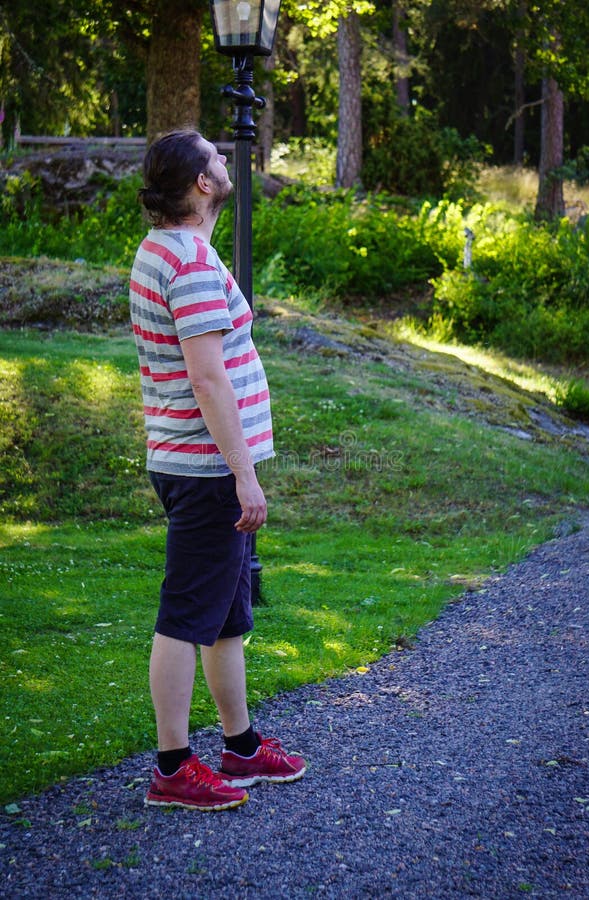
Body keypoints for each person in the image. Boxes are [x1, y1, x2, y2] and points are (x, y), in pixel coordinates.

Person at [129, 129, 305, 812]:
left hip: (194, 463)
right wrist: (244, 475)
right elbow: (207, 379)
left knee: (226, 616)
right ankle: (173, 768)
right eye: (215, 157)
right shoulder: (192, 264)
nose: (225, 162)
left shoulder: (162, 251)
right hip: (207, 470)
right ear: (201, 183)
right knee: (185, 616)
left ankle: (240, 745)